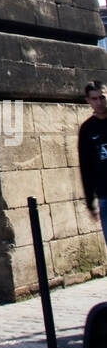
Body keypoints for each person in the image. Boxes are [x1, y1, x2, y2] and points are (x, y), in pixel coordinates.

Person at [78, 81, 107, 250]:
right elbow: (86, 167)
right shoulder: (87, 129)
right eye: (94, 99)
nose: (99, 102)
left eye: (102, 97)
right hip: (105, 195)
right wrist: (90, 202)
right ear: (88, 101)